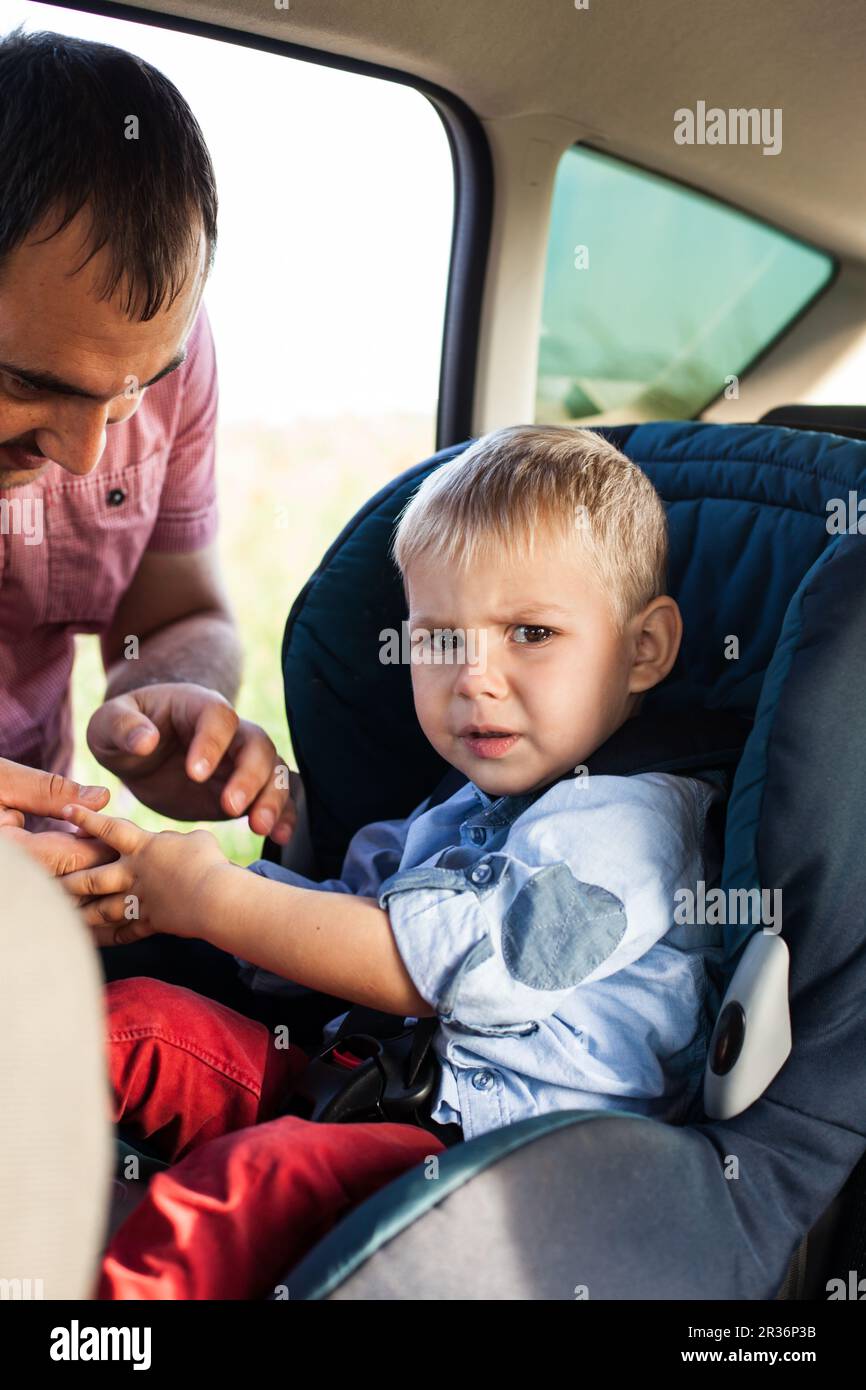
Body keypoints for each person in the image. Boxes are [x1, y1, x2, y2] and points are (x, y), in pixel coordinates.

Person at [61, 425, 724, 1300]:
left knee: (244, 1190)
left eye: (530, 632)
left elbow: (440, 966)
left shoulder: (634, 826)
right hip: (356, 1080)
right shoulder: (464, 803)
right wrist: (272, 842)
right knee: (126, 1025)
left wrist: (210, 899)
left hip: (485, 1163)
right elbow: (349, 911)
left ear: (644, 649)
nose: (474, 677)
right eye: (441, 639)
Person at [0, 29, 296, 898]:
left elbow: (178, 612)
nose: (81, 450)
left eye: (130, 396)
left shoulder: (167, 356)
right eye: (26, 383)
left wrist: (169, 699)